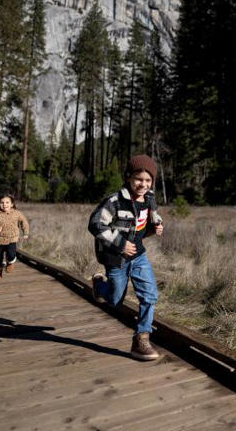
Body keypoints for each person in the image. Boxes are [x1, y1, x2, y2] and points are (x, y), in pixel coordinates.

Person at [88, 154, 164, 361]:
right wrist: (120, 244)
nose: (143, 184)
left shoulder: (149, 199)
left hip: (139, 256)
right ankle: (99, 286)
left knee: (149, 295)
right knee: (114, 299)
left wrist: (155, 226)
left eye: (148, 181)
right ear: (129, 177)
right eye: (139, 179)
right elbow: (95, 224)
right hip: (116, 258)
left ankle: (141, 339)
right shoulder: (114, 201)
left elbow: (143, 223)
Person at [0, 194, 30, 280]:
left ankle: (10, 262)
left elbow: (24, 222)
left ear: (12, 204)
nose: (4, 204)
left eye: (7, 202)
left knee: (11, 254)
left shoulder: (17, 213)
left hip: (12, 238)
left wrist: (25, 233)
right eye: (2, 202)